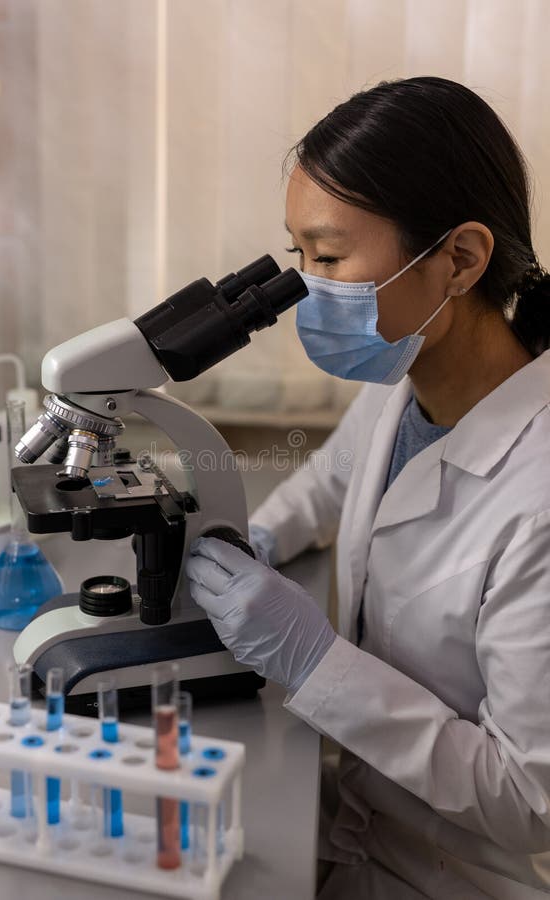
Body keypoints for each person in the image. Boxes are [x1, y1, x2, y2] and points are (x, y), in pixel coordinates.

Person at [185, 76, 550, 898]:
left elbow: (532, 800)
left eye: (330, 257)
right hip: (347, 825)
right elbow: (335, 477)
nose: (307, 286)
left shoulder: (540, 497)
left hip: (452, 877)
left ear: (460, 259)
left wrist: (314, 661)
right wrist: (259, 538)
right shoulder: (407, 375)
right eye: (298, 256)